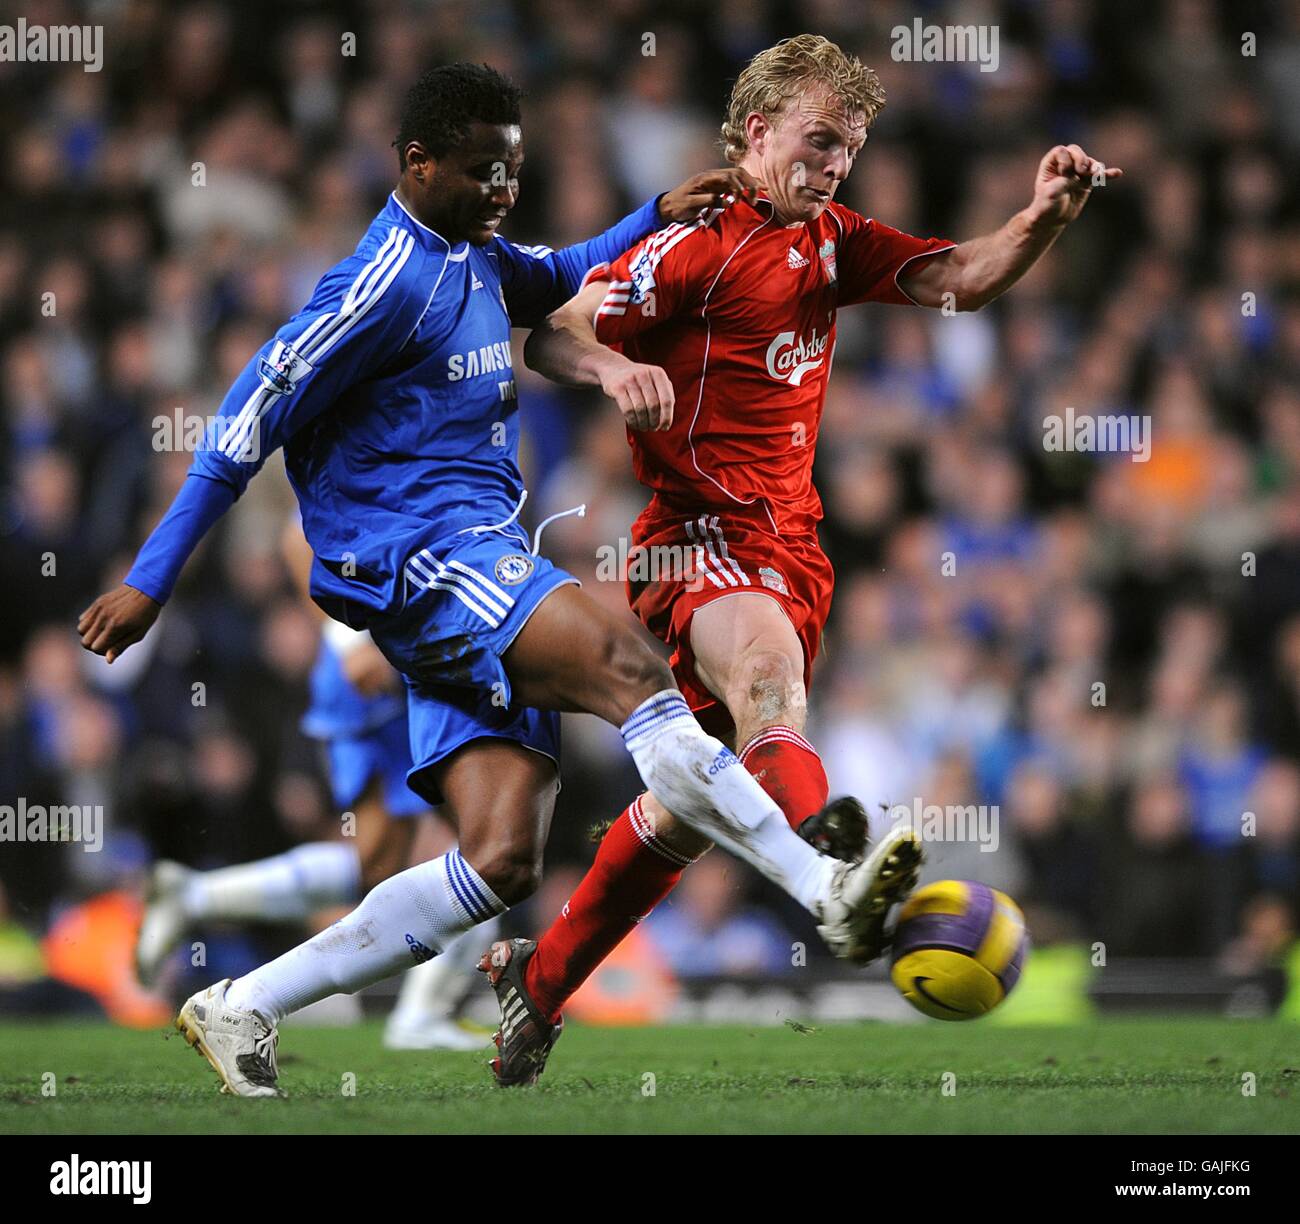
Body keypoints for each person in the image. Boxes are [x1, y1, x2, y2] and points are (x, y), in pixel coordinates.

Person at [78, 62, 910, 1098]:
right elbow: (243, 424)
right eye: (483, 173)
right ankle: (822, 890)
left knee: (499, 861)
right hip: (422, 556)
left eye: (512, 171)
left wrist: (652, 212)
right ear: (417, 164)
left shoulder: (472, 249)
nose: (502, 191)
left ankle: (242, 1004)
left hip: (474, 549)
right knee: (632, 670)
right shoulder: (377, 286)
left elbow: (554, 273)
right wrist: (150, 583)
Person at [505, 33, 1121, 1083]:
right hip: (692, 540)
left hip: (792, 545)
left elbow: (961, 279)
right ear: (756, 132)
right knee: (766, 691)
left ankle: (538, 985)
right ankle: (833, 860)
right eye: (820, 140)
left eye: (851, 147)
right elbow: (549, 332)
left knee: (680, 815)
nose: (836, 164)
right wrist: (610, 368)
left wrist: (1042, 219)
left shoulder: (833, 239)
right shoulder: (691, 241)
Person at [134, 519, 495, 1050]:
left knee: (397, 867)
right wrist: (350, 641)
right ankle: (411, 1013)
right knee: (472, 858)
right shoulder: (385, 442)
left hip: (400, 669)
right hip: (380, 675)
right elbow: (297, 535)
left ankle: (196, 895)